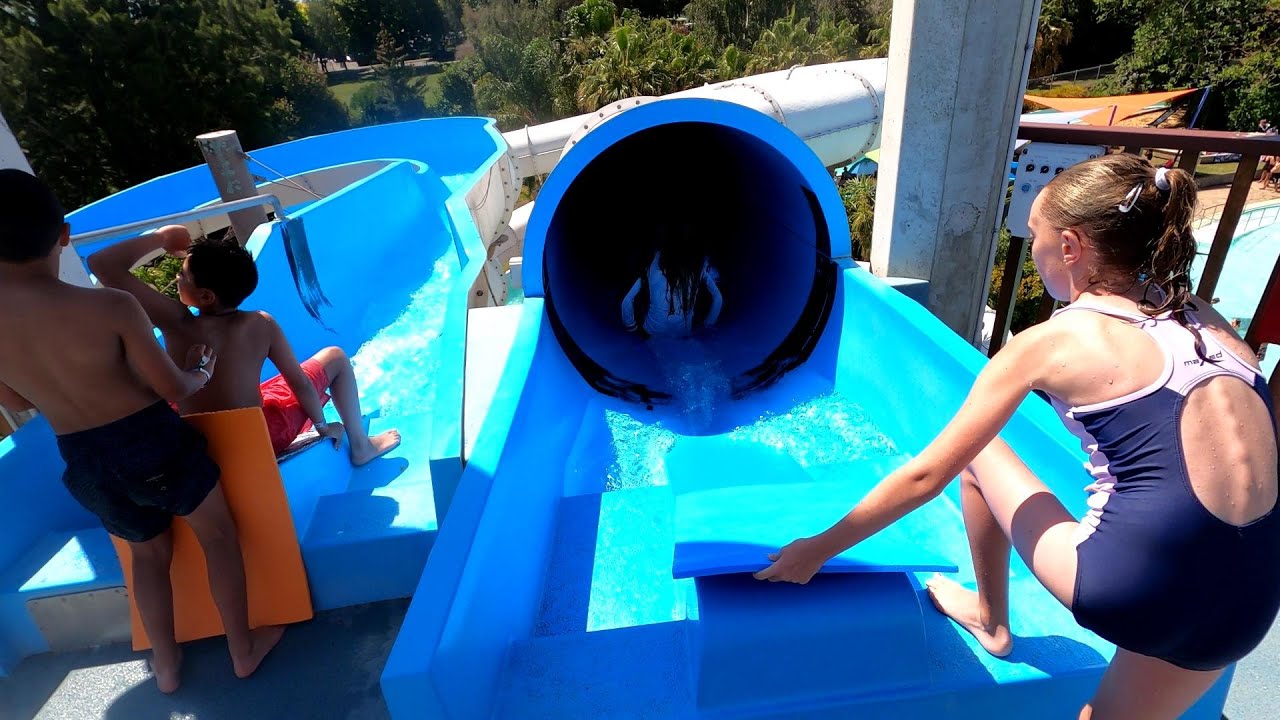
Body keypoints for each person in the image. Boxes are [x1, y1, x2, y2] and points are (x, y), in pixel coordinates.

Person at [756, 155, 1280, 719]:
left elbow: (926, 476)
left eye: (1035, 236)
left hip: (1129, 586)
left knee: (979, 453)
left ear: (1071, 246)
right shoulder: (1208, 320)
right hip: (1251, 601)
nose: (1033, 251)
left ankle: (991, 621)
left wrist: (815, 551)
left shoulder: (1055, 341)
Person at [0, 170, 281, 693]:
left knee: (148, 556)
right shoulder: (109, 307)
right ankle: (242, 649)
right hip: (151, 442)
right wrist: (200, 373)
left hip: (81, 458)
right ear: (63, 235)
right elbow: (169, 385)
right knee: (218, 536)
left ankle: (166, 666)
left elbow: (18, 401)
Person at [88, 226, 400, 464]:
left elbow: (103, 264)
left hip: (199, 446)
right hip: (261, 440)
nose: (177, 280)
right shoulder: (261, 324)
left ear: (206, 296)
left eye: (182, 275)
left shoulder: (176, 322)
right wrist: (321, 425)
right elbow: (300, 383)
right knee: (335, 356)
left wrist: (162, 237)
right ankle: (361, 446)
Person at [621, 224, 723, 338]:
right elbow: (718, 298)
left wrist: (631, 327)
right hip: (682, 335)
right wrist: (707, 325)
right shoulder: (698, 269)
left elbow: (627, 301)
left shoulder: (651, 266)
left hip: (652, 334)